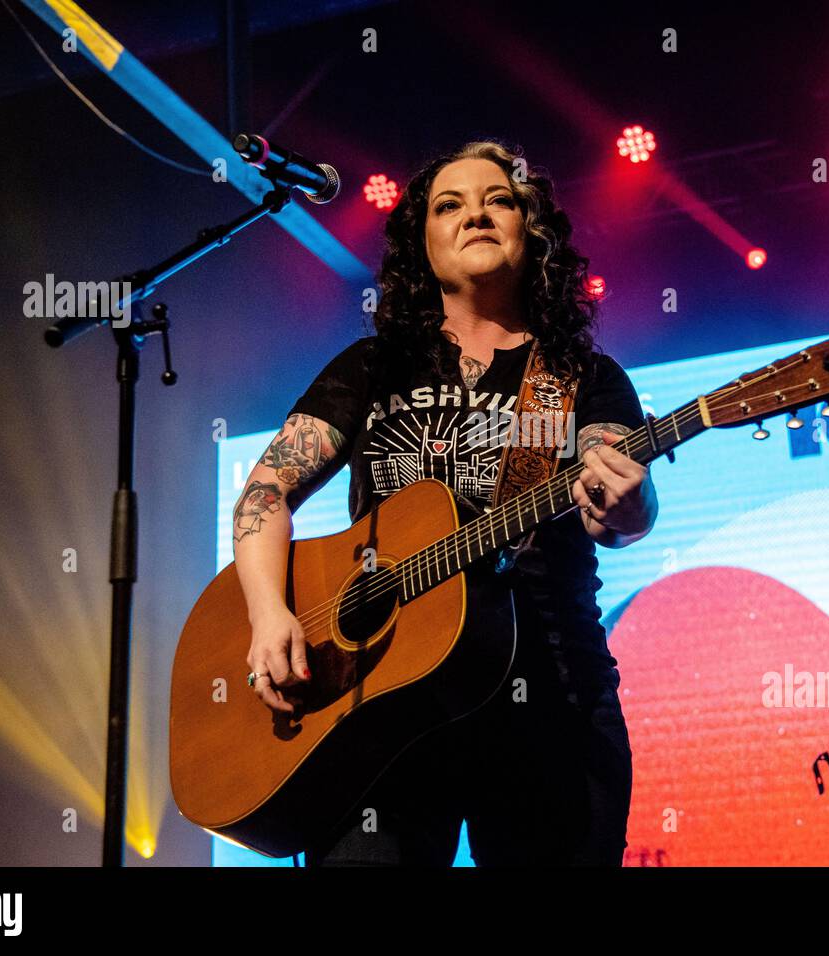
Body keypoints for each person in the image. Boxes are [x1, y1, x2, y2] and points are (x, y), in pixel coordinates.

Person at [231, 139, 658, 866]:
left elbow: (621, 510)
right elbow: (267, 489)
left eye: (499, 201)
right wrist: (270, 612)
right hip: (378, 706)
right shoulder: (373, 367)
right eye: (449, 205)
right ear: (421, 245)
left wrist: (626, 505)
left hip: (548, 691)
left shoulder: (584, 376)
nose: (476, 215)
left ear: (533, 234)